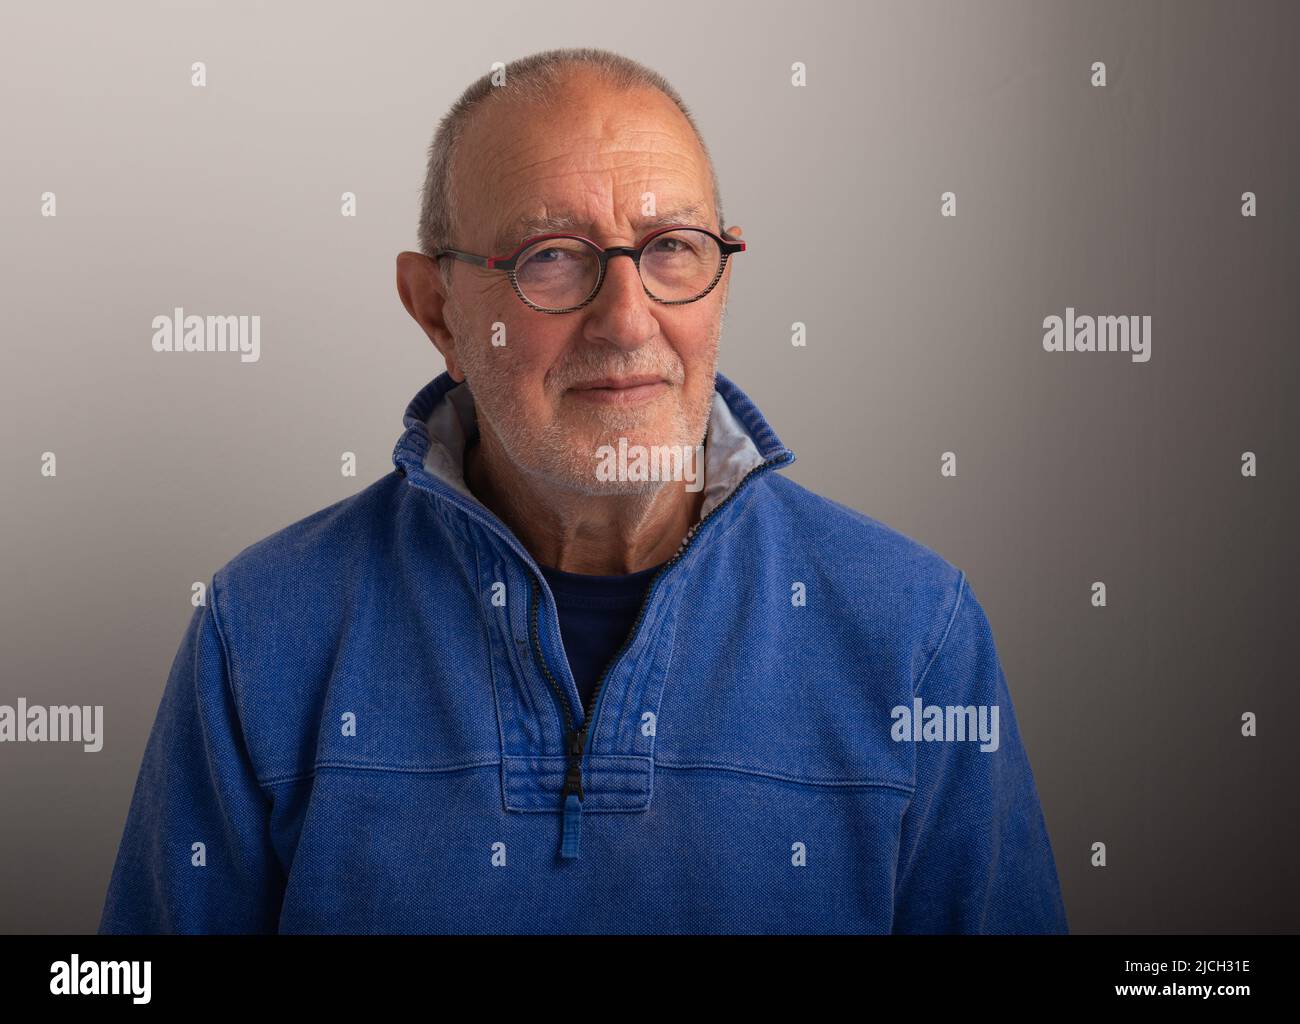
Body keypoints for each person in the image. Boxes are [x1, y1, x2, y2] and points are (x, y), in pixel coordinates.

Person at [98, 47, 1068, 934]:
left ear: (721, 276)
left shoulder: (913, 631)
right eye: (551, 257)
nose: (626, 320)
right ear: (436, 308)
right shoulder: (261, 628)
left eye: (671, 247)